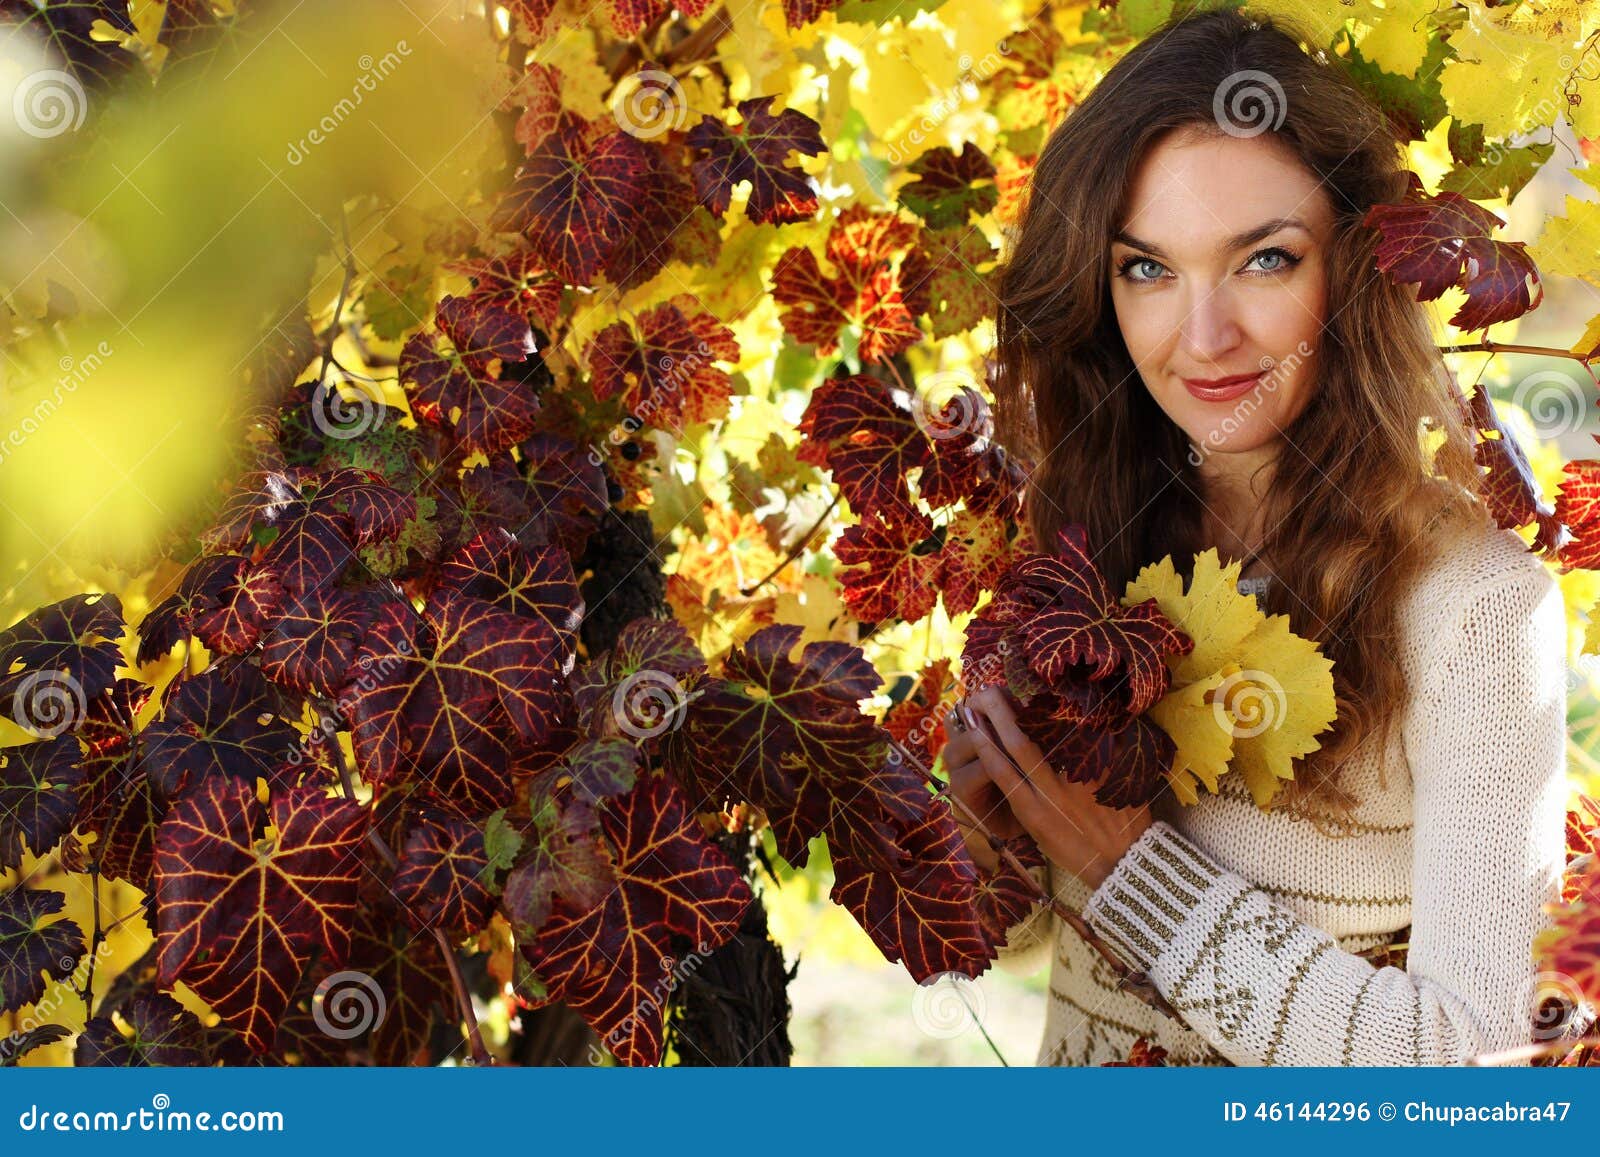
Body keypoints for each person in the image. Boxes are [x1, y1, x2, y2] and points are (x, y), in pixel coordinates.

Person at [941, 6, 1570, 1066]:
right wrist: (996, 837)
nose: (1202, 336)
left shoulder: (1476, 610)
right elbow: (1032, 954)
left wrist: (1134, 867)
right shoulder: (1094, 539)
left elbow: (1479, 1065)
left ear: (1357, 268)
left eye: (1264, 260)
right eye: (1146, 268)